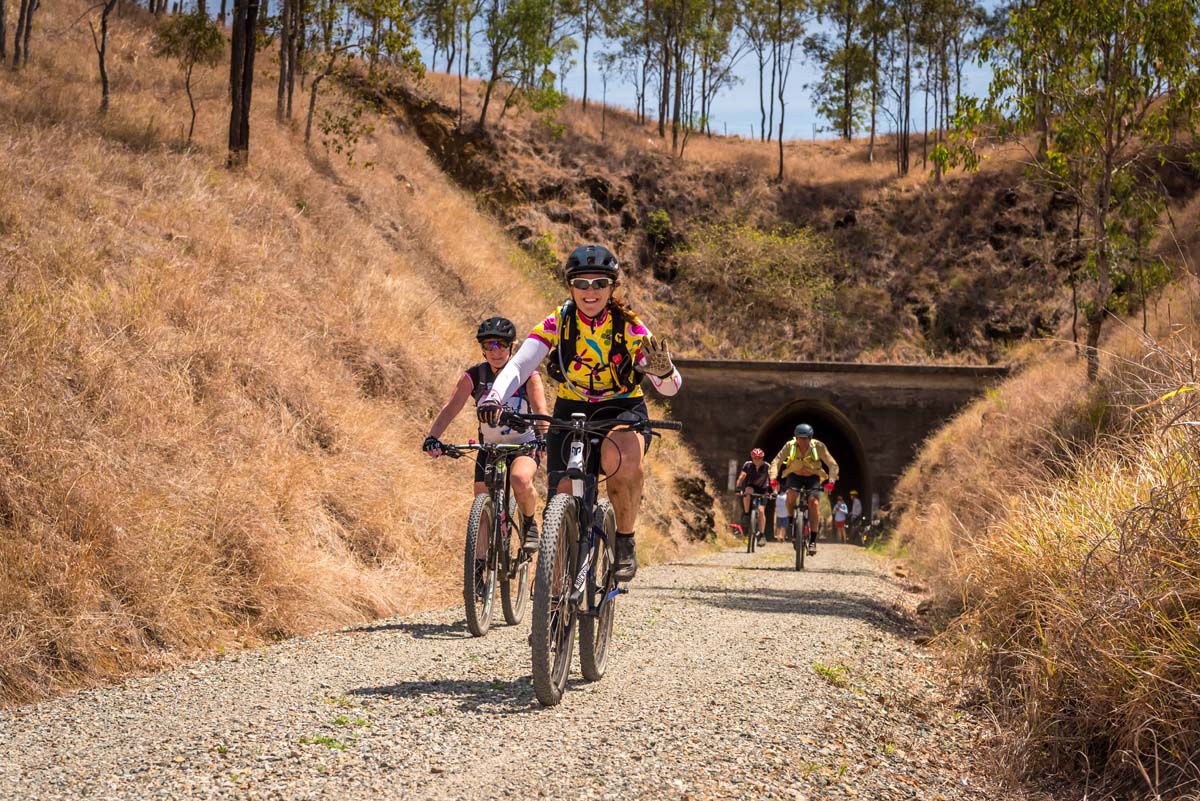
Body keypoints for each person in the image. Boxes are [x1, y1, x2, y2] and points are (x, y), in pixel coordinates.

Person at [477, 244, 682, 582]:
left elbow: (671, 388)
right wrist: (495, 396)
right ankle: (553, 598)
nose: (591, 291)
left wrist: (663, 373)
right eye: (582, 283)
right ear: (570, 286)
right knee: (561, 494)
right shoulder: (559, 320)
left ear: (611, 287)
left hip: (621, 406)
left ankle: (626, 540)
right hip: (572, 407)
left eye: (600, 283)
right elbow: (522, 362)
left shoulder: (630, 327)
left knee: (624, 462)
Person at [423, 317, 548, 552]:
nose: (495, 351)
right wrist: (433, 437)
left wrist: (542, 440)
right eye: (489, 345)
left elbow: (541, 410)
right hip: (490, 447)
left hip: (524, 444)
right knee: (481, 509)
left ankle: (529, 522)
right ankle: (478, 572)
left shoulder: (528, 376)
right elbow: (451, 408)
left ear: (512, 346)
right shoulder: (475, 376)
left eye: (501, 344)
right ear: (482, 349)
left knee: (520, 479)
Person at [770, 422, 839, 554]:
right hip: (794, 475)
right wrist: (773, 479)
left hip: (813, 476)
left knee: (814, 502)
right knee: (791, 495)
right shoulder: (789, 446)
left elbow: (832, 464)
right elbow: (776, 462)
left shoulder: (818, 447)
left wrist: (831, 482)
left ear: (810, 438)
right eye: (799, 438)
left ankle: (813, 540)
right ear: (796, 438)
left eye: (805, 439)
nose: (802, 441)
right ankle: (791, 519)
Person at [734, 448, 771, 542]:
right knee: (747, 491)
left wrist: (774, 492)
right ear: (752, 458)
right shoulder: (748, 465)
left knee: (761, 511)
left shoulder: (767, 466)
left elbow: (773, 480)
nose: (757, 460)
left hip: (763, 489)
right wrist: (738, 488)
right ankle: (746, 514)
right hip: (752, 486)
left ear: (762, 458)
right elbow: (741, 477)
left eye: (759, 458)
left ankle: (762, 535)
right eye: (755, 458)